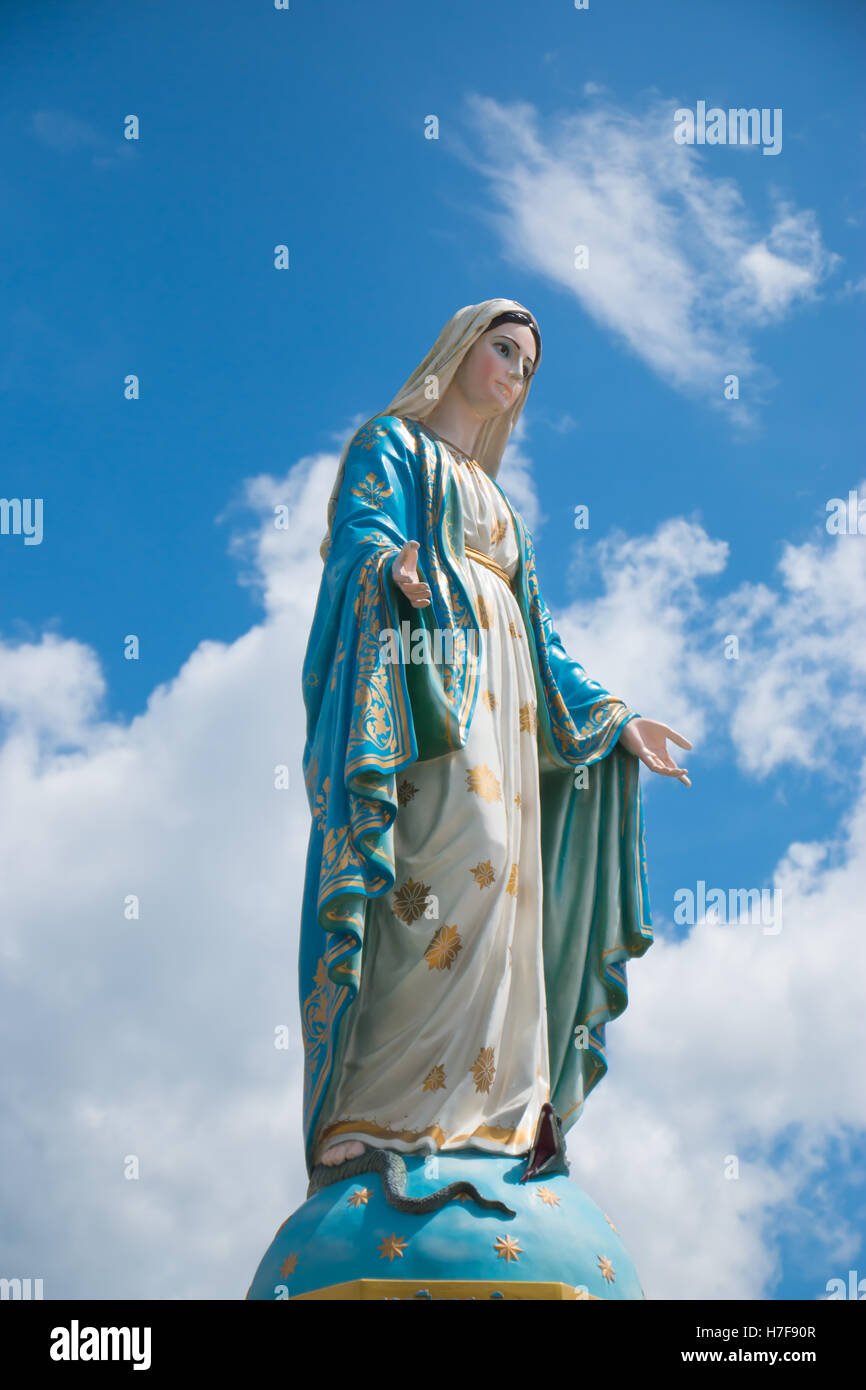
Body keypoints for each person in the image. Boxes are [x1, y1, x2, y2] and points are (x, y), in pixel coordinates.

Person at [298, 299, 691, 1180]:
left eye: (528, 366)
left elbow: (541, 638)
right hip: (427, 695)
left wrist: (618, 718)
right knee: (438, 871)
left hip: (507, 711)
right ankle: (376, 1104)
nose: (514, 372)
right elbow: (360, 535)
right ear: (459, 348)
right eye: (503, 350)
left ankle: (494, 1111)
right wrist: (388, 563)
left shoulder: (499, 502)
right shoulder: (392, 446)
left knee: (506, 887)